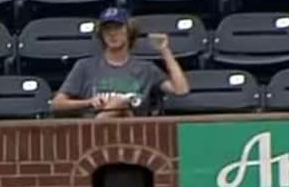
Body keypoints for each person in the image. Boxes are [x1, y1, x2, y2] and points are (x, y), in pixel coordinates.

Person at [51, 7, 189, 119]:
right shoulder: (85, 66)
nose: (112, 34)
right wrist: (89, 102)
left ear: (128, 31)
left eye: (117, 28)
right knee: (118, 103)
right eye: (107, 29)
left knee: (121, 103)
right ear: (101, 34)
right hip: (92, 131)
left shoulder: (146, 68)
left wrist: (164, 50)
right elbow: (57, 104)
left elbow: (181, 90)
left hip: (133, 130)